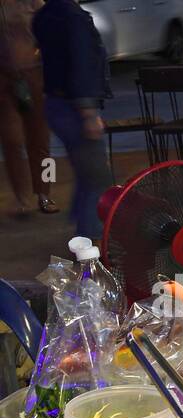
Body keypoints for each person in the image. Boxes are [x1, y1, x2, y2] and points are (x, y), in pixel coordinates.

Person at [31, 0, 110, 239]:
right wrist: (88, 113)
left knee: (86, 172)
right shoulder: (73, 17)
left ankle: (80, 224)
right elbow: (81, 62)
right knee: (97, 178)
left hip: (55, 102)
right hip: (73, 106)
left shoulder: (45, 14)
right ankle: (89, 240)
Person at [0, 0, 56, 216]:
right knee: (11, 141)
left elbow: (50, 34)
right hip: (4, 82)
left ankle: (45, 193)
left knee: (41, 141)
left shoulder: (33, 2)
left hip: (34, 77)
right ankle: (20, 197)